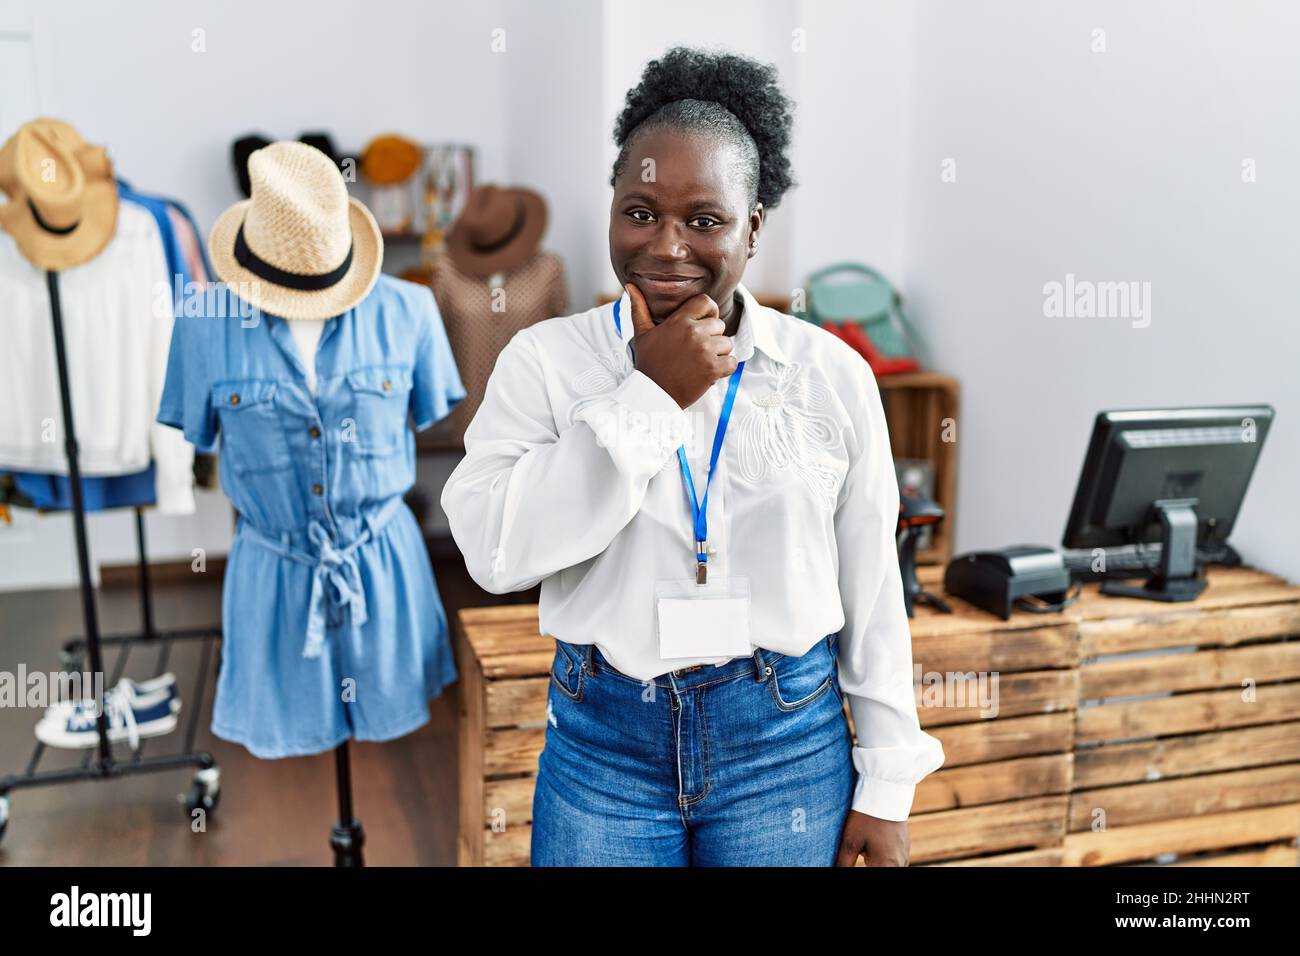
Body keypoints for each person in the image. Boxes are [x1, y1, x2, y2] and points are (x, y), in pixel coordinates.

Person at [441, 46, 945, 866]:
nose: (667, 246)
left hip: (784, 745)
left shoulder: (830, 376)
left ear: (754, 227)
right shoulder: (545, 362)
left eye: (705, 221)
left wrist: (888, 786)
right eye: (640, 212)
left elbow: (872, 584)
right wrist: (649, 396)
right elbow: (495, 553)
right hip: (603, 744)